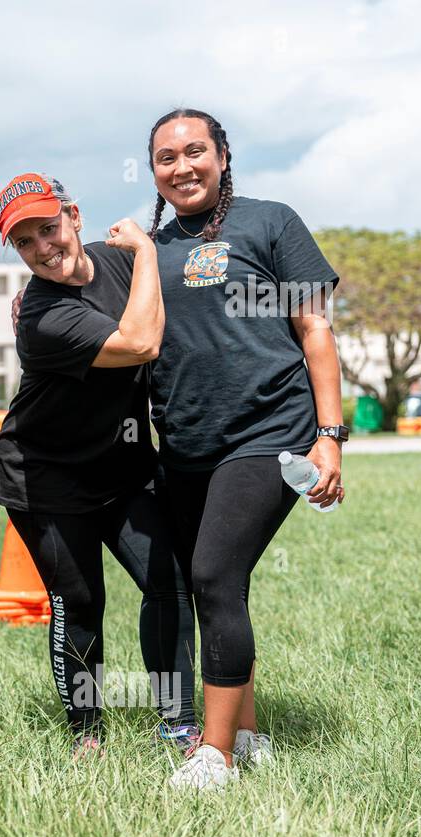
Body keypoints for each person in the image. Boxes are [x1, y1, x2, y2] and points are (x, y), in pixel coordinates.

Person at [143, 108, 346, 790]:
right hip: (186, 445)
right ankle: (250, 733)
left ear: (222, 155)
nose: (183, 166)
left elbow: (314, 327)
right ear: (154, 173)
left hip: (269, 430)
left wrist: (330, 436)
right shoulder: (152, 248)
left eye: (195, 150)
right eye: (167, 157)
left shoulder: (271, 222)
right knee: (220, 588)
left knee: (213, 576)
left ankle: (215, 755)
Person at [0, 174, 196, 757]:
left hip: (125, 466)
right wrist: (149, 251)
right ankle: (87, 733)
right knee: (80, 603)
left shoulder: (118, 262)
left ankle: (178, 721)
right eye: (25, 242)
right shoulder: (41, 315)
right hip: (46, 477)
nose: (42, 248)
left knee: (170, 583)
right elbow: (139, 342)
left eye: (48, 228)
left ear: (74, 215)